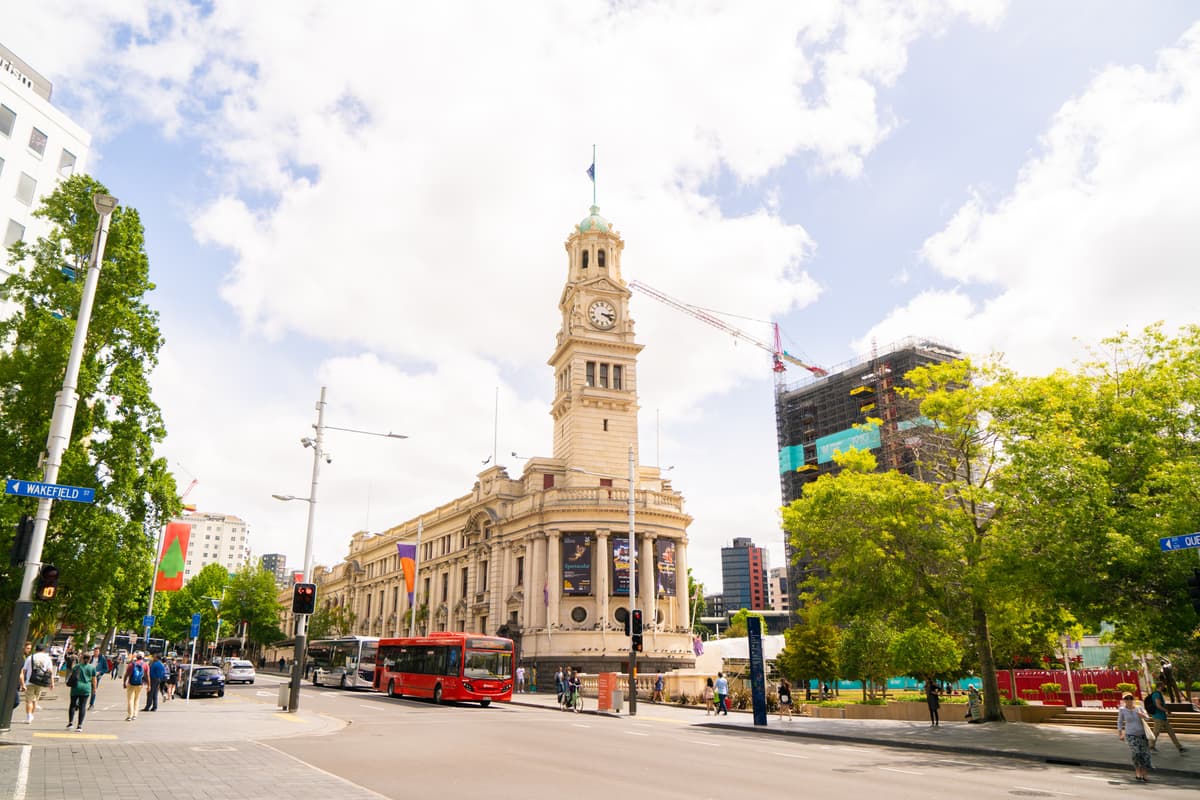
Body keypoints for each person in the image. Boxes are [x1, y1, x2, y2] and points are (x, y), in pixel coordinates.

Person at [1117, 692, 1154, 782]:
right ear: (1124, 700)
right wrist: (1120, 734)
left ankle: (1144, 773)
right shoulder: (1122, 710)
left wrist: (1143, 715)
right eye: (1126, 699)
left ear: (1133, 699)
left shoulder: (1139, 708)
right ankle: (1138, 771)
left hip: (1142, 735)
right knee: (1136, 753)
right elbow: (1120, 722)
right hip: (1131, 735)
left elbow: (1148, 718)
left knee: (1145, 755)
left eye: (1130, 698)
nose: (1129, 700)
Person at [1145, 679, 1187, 753]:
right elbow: (1158, 706)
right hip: (1158, 717)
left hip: (1163, 717)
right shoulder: (1156, 694)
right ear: (1160, 686)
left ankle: (1179, 747)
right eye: (1163, 685)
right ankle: (1151, 746)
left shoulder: (1159, 694)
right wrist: (1167, 711)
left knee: (1171, 733)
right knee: (1155, 733)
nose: (1164, 687)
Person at [21, 643, 55, 724]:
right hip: (41, 681)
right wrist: (52, 683)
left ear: (36, 649)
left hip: (30, 681)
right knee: (35, 699)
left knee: (29, 700)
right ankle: (31, 714)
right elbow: (50, 671)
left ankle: (29, 716)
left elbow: (24, 670)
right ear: (43, 650)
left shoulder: (30, 657)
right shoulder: (47, 658)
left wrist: (23, 683)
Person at [66, 653, 98, 732]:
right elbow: (94, 679)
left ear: (82, 658)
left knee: (72, 705)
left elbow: (71, 675)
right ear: (90, 659)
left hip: (75, 688)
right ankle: (79, 726)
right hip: (86, 688)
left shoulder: (77, 666)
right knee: (82, 706)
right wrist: (94, 689)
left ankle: (70, 723)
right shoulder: (92, 668)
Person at [123, 651, 147, 721]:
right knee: (137, 699)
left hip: (131, 683)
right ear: (143, 657)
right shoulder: (145, 665)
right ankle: (135, 715)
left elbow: (126, 674)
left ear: (136, 657)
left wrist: (124, 682)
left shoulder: (131, 664)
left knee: (130, 699)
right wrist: (149, 685)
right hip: (140, 684)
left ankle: (130, 715)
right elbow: (147, 675)